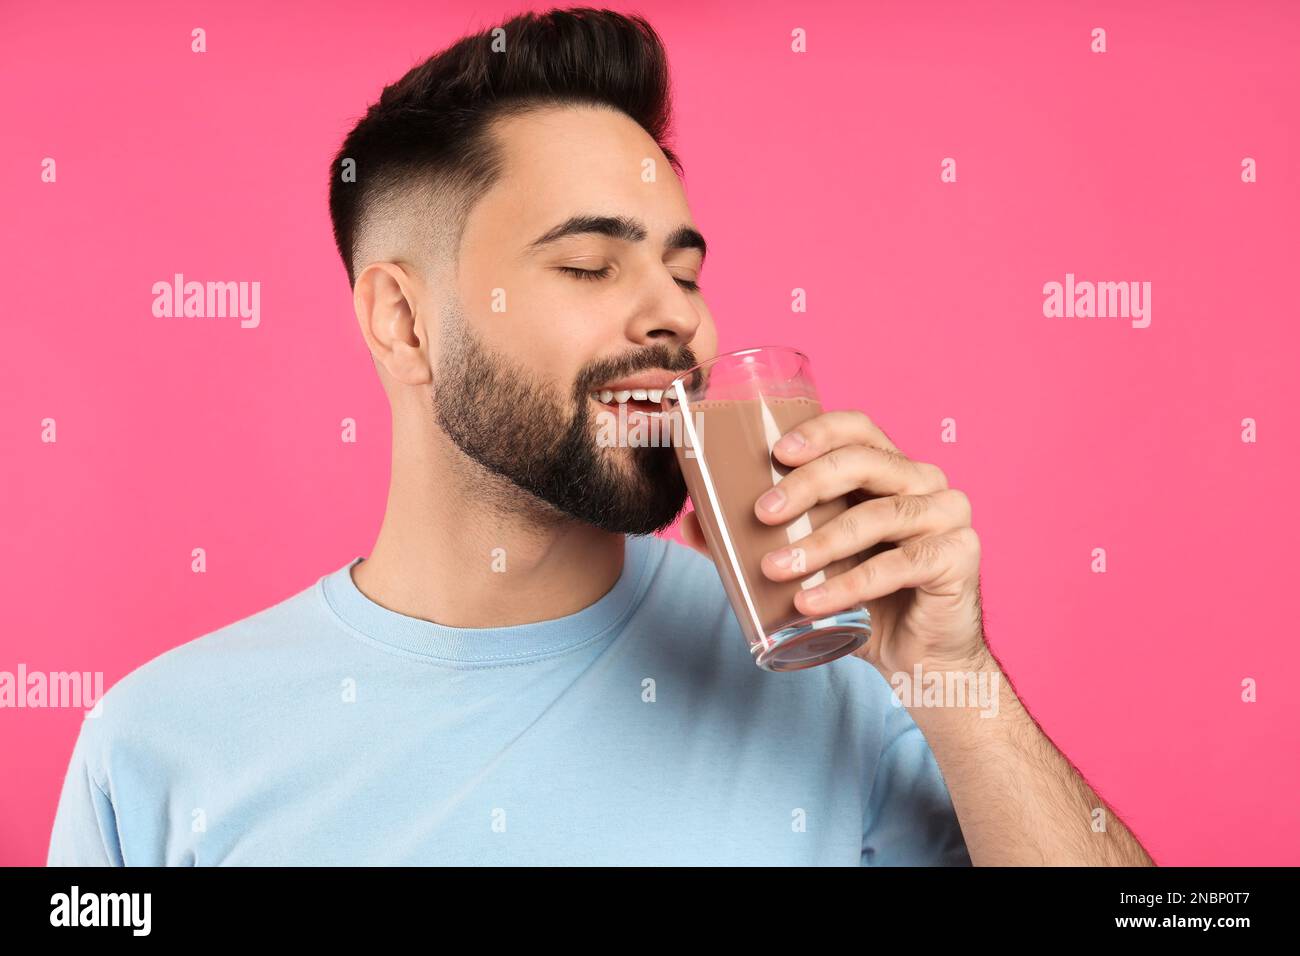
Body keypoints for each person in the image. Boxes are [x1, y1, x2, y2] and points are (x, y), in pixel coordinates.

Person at [48, 7, 1152, 866]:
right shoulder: (156, 744)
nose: (676, 315)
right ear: (403, 320)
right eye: (588, 265)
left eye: (684, 271)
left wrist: (956, 676)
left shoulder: (835, 668)